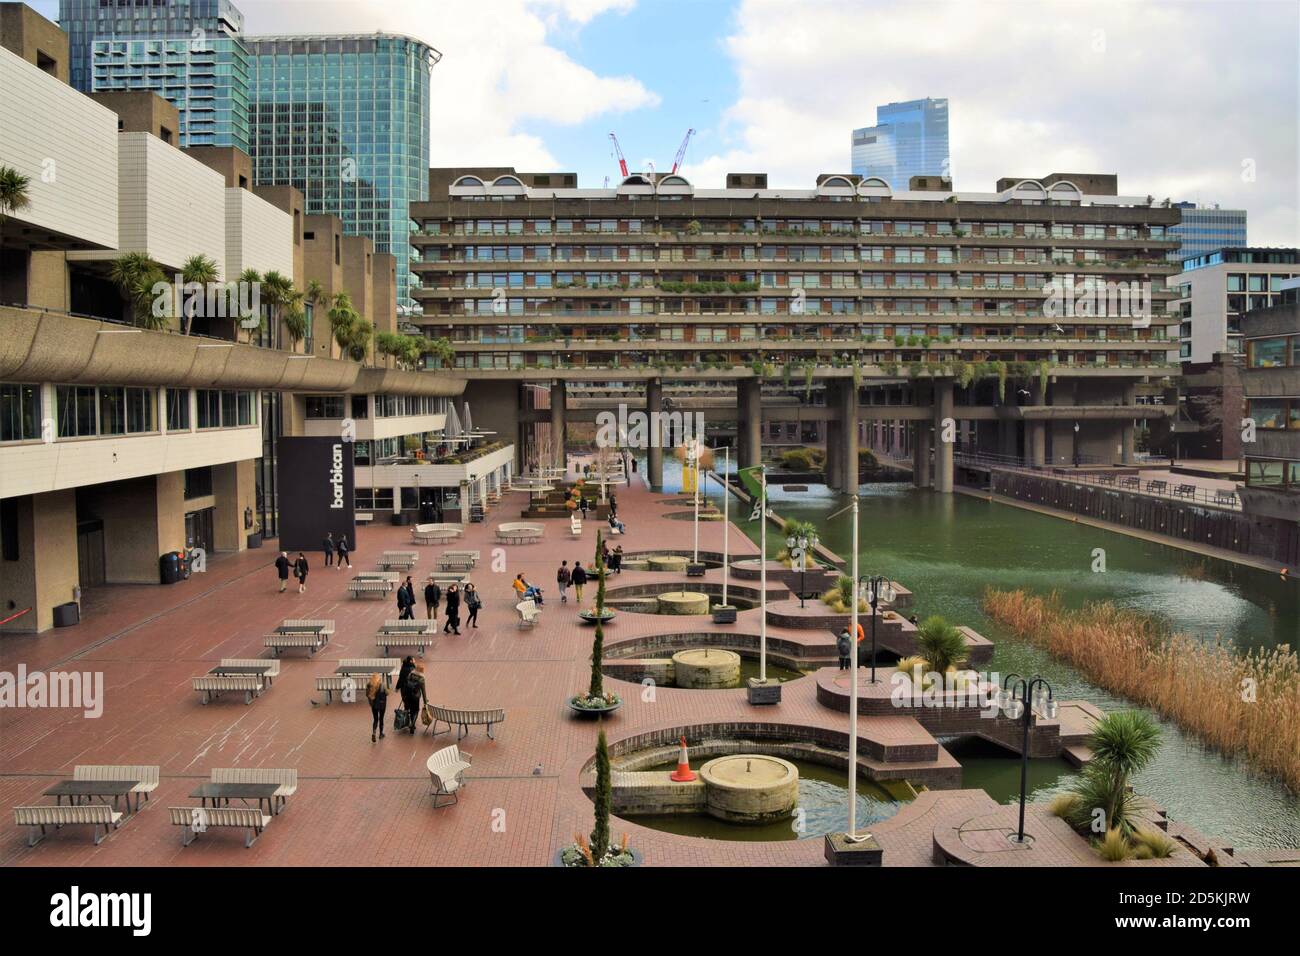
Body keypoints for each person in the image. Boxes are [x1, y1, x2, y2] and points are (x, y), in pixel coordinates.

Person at [366, 673, 388, 743]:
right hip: (382, 705)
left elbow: (367, 694)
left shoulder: (369, 685)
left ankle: (374, 732)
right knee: (381, 718)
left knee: (375, 719)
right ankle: (381, 734)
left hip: (374, 705)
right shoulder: (382, 685)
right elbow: (387, 693)